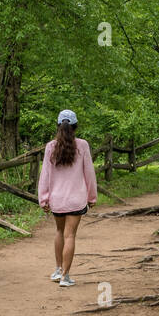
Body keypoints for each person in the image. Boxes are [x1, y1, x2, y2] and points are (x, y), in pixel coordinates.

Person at [37, 109, 98, 287]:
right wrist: (92, 197)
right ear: (75, 127)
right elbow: (89, 173)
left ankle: (57, 269)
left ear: (58, 126)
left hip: (57, 200)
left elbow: (45, 175)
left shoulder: (50, 147)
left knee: (59, 232)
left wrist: (44, 198)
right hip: (76, 199)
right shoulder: (83, 145)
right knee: (70, 235)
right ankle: (65, 276)